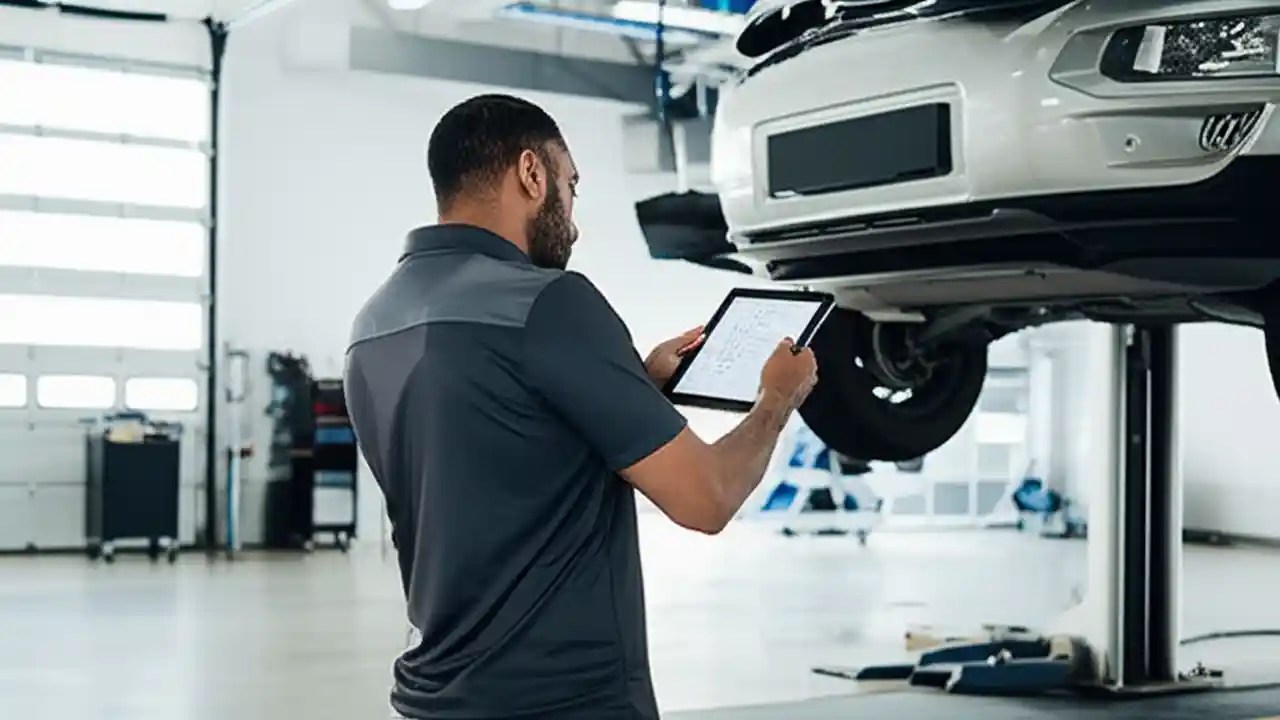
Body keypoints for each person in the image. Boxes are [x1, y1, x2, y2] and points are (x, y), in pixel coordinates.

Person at [343, 93, 818, 720]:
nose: (573, 218)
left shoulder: (374, 322)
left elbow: (498, 457)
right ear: (531, 173)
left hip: (433, 699)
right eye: (571, 184)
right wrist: (775, 401)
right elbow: (708, 498)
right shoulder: (549, 303)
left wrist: (633, 386)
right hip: (564, 700)